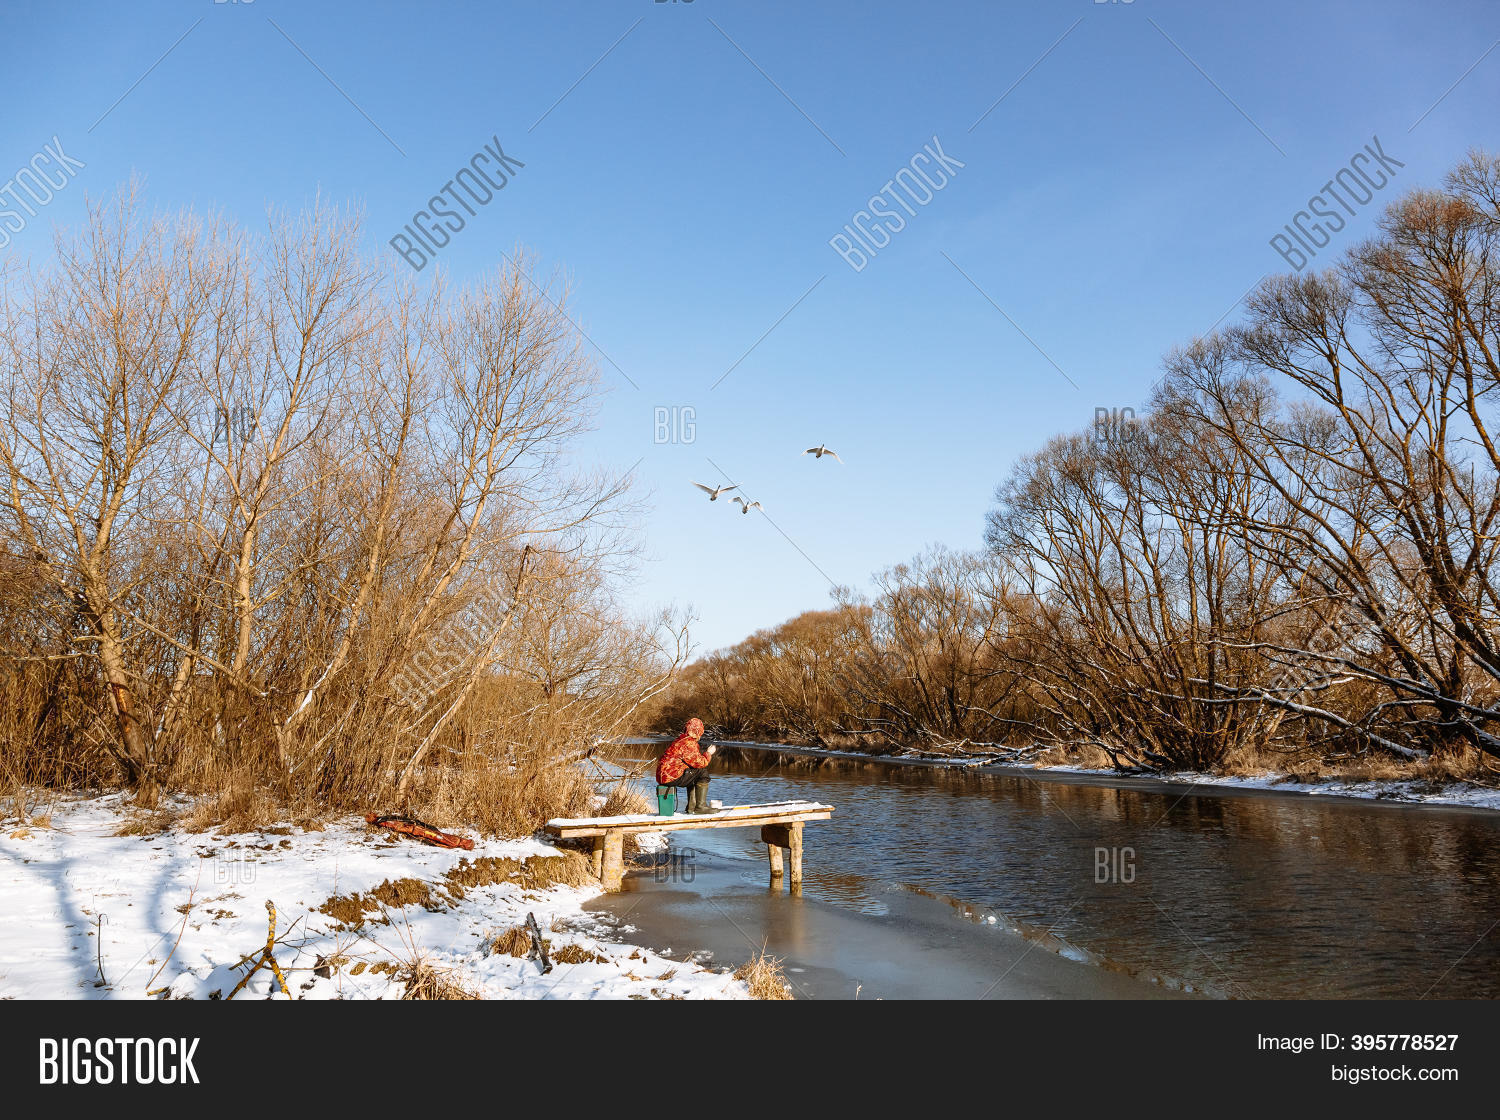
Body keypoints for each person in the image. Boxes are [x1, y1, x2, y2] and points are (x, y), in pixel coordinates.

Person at [656, 717, 717, 814]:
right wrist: (709, 753)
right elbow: (701, 763)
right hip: (670, 776)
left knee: (693, 772)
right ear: (697, 731)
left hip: (663, 776)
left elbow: (692, 763)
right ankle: (700, 807)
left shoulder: (680, 740)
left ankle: (691, 807)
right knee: (702, 773)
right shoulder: (688, 743)